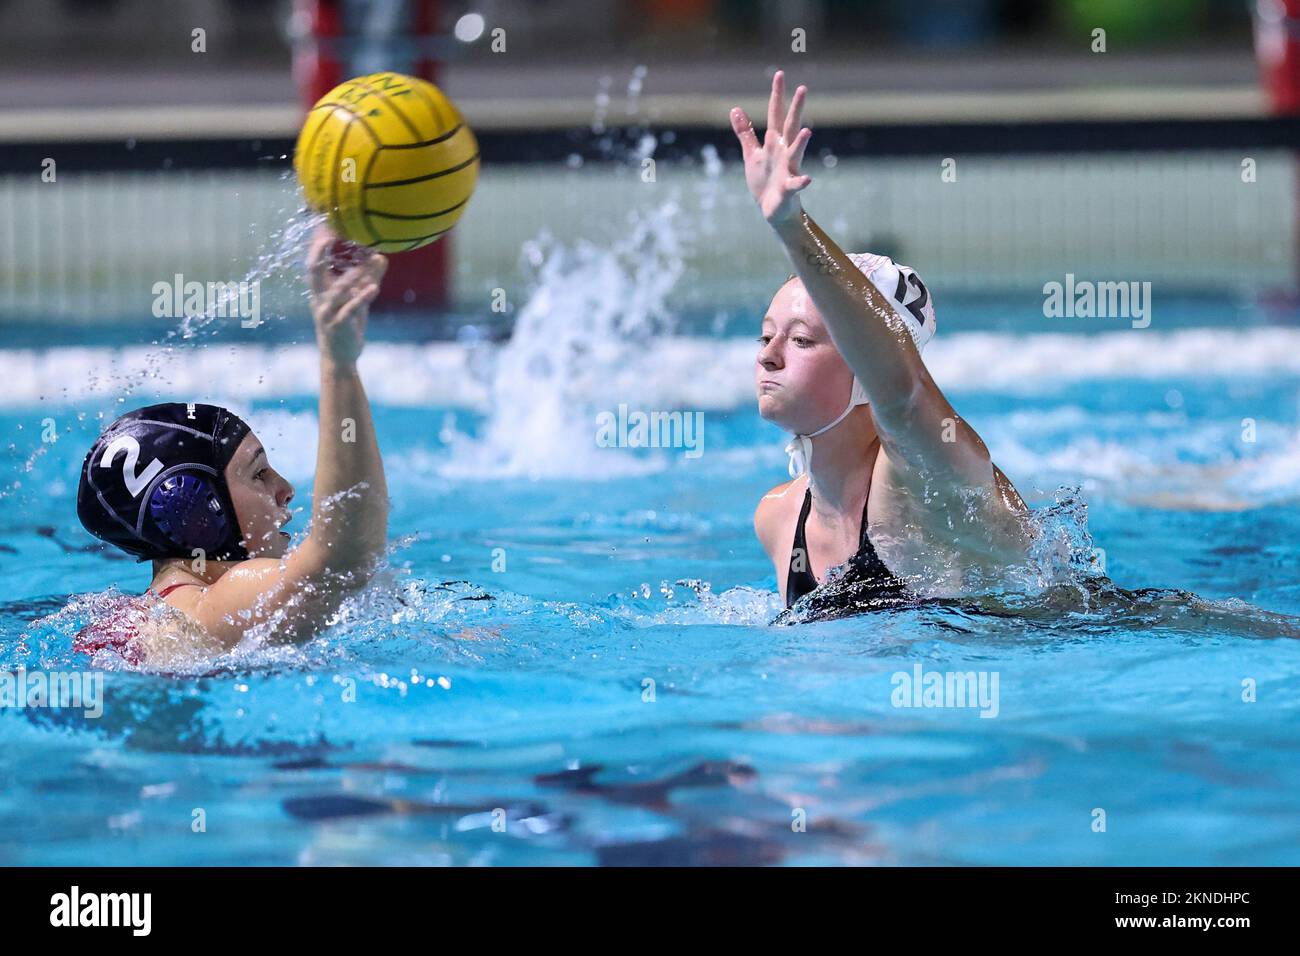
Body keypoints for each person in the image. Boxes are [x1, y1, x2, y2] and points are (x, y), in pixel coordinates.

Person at [731, 72, 1031, 614]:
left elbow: (904, 390)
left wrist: (792, 228)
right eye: (766, 333)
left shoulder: (927, 477)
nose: (767, 354)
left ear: (865, 365)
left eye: (801, 339)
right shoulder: (778, 518)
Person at [73, 226, 389, 665]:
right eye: (258, 473)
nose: (285, 489)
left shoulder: (155, 613)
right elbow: (344, 562)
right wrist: (339, 364)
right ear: (194, 509)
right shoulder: (216, 606)